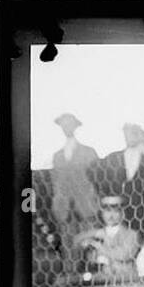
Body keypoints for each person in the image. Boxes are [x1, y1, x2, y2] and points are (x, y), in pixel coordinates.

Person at [49, 113, 99, 263]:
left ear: (75, 126)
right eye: (64, 125)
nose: (67, 128)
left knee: (89, 242)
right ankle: (71, 277)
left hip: (86, 206)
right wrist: (58, 203)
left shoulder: (89, 152)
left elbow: (97, 179)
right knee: (68, 244)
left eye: (69, 124)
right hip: (65, 208)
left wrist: (93, 199)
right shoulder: (57, 156)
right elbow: (55, 183)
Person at [73, 195, 141, 278]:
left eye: (116, 211)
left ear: (122, 214)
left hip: (123, 278)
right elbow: (76, 241)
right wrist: (91, 237)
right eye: (107, 211)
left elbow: (124, 255)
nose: (111, 215)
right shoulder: (97, 234)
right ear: (102, 213)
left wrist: (100, 247)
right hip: (98, 279)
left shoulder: (131, 234)